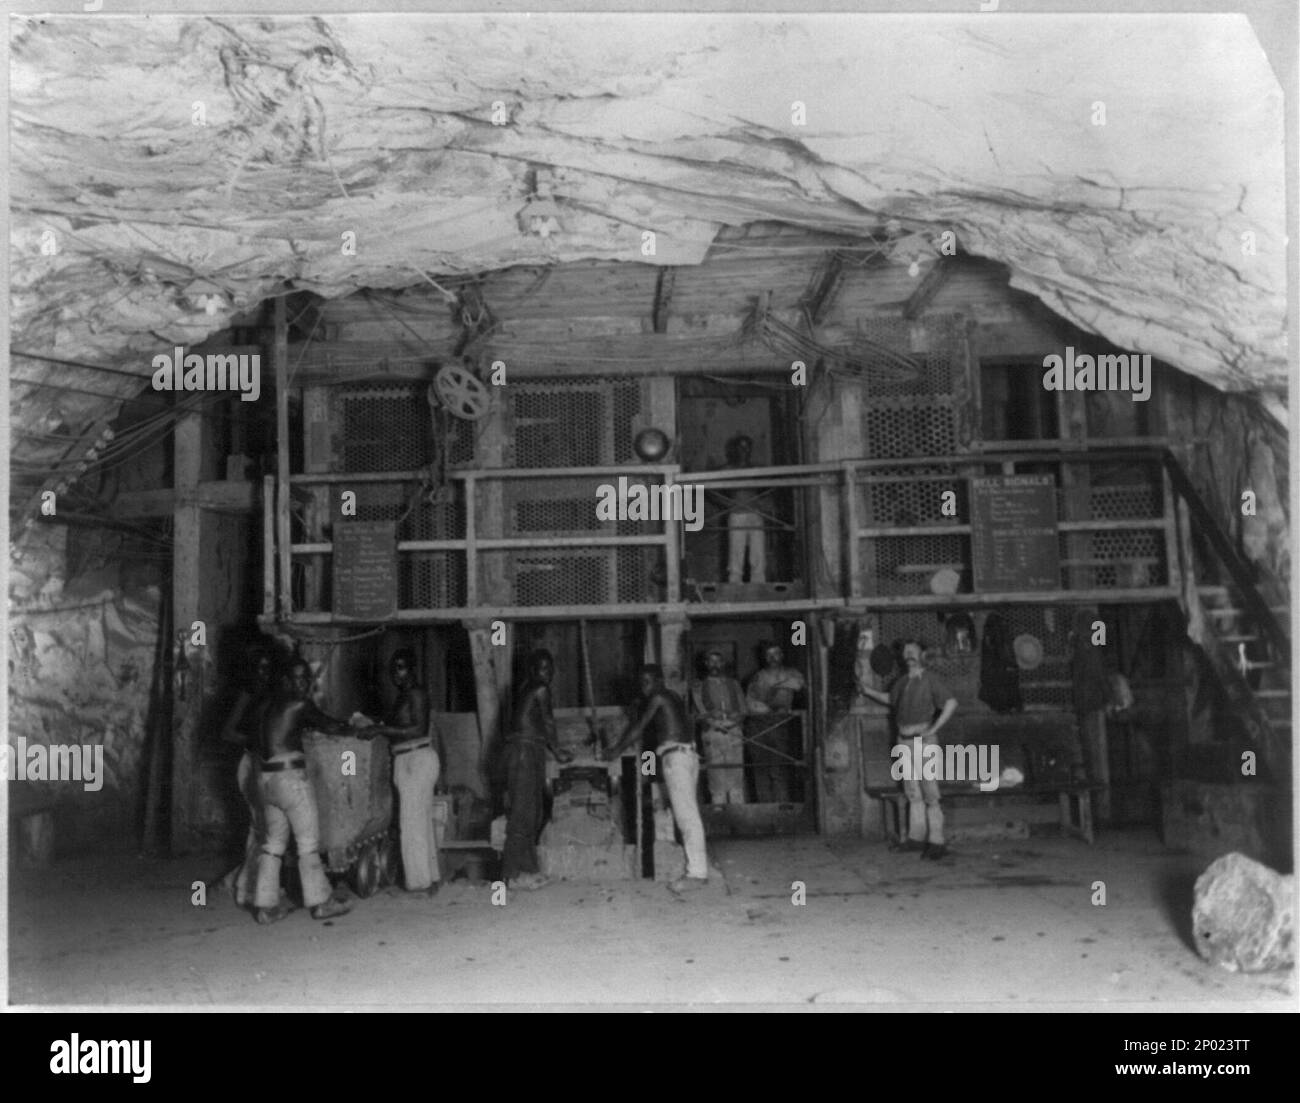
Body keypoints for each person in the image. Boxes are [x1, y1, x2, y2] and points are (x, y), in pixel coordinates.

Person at [252, 658, 355, 924]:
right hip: (290, 779)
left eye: (306, 679)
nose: (303, 684)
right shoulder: (300, 704)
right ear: (285, 680)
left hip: (265, 780)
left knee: (273, 844)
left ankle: (265, 906)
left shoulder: (264, 706)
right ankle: (322, 903)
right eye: (298, 678)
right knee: (308, 843)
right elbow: (330, 726)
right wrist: (356, 726)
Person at [604, 664, 708, 893]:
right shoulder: (673, 698)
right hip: (682, 755)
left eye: (648, 682)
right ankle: (694, 867)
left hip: (675, 759)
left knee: (686, 817)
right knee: (685, 813)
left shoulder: (659, 697)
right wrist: (649, 776)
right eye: (641, 683)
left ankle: (698, 873)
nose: (644, 688)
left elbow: (637, 730)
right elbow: (649, 740)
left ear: (659, 680)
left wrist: (615, 750)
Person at [860, 640, 958, 860]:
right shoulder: (902, 681)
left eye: (913, 651)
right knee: (912, 791)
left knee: (930, 792)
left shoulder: (931, 679)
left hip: (923, 741)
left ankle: (937, 842)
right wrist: (865, 690)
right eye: (906, 651)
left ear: (922, 654)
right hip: (903, 740)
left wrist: (933, 728)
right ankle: (915, 838)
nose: (909, 654)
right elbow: (890, 699)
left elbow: (951, 703)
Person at [362, 649, 442, 897]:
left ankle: (419, 884)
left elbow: (417, 728)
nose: (397, 674)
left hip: (416, 758)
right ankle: (431, 879)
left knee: (411, 824)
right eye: (393, 669)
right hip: (409, 759)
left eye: (402, 667)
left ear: (412, 668)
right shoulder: (404, 695)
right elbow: (401, 724)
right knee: (420, 823)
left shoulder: (416, 693)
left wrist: (380, 730)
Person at [502, 650, 573, 891]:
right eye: (543, 669)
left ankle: (528, 870)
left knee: (532, 813)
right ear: (533, 670)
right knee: (522, 814)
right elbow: (549, 722)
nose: (548, 674)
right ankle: (512, 874)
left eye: (550, 669)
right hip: (523, 752)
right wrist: (559, 752)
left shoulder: (528, 688)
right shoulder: (539, 688)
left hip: (529, 750)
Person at [218, 646, 278, 908]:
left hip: (267, 765)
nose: (263, 673)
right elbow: (227, 732)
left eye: (267, 668)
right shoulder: (248, 695)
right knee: (263, 829)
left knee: (264, 829)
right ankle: (248, 887)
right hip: (251, 764)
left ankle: (248, 886)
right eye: (259, 668)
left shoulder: (275, 696)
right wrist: (255, 739)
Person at [744, 643, 806, 802]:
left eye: (776, 653)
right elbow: (750, 702)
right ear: (764, 657)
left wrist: (775, 689)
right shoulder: (758, 676)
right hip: (759, 727)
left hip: (781, 727)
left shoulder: (791, 672)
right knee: (761, 771)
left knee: (779, 771)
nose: (772, 658)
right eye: (769, 654)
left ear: (782, 655)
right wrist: (767, 705)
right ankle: (764, 811)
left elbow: (798, 684)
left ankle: (782, 809)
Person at [690, 649, 747, 806]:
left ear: (723, 664)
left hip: (733, 732)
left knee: (736, 775)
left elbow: (743, 710)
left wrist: (733, 722)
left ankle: (738, 817)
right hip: (713, 733)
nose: (715, 664)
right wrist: (713, 720)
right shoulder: (698, 687)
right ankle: (719, 817)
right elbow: (697, 714)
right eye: (711, 661)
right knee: (716, 777)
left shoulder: (734, 684)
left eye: (718, 661)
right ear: (706, 664)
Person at [719, 434, 767, 583]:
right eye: (741, 447)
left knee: (758, 551)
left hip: (755, 513)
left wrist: (762, 502)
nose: (745, 451)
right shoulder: (728, 469)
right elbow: (707, 488)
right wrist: (725, 503)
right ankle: (734, 583)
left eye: (747, 447)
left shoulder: (756, 469)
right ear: (735, 450)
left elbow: (768, 487)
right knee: (736, 551)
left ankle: (759, 583)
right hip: (737, 514)